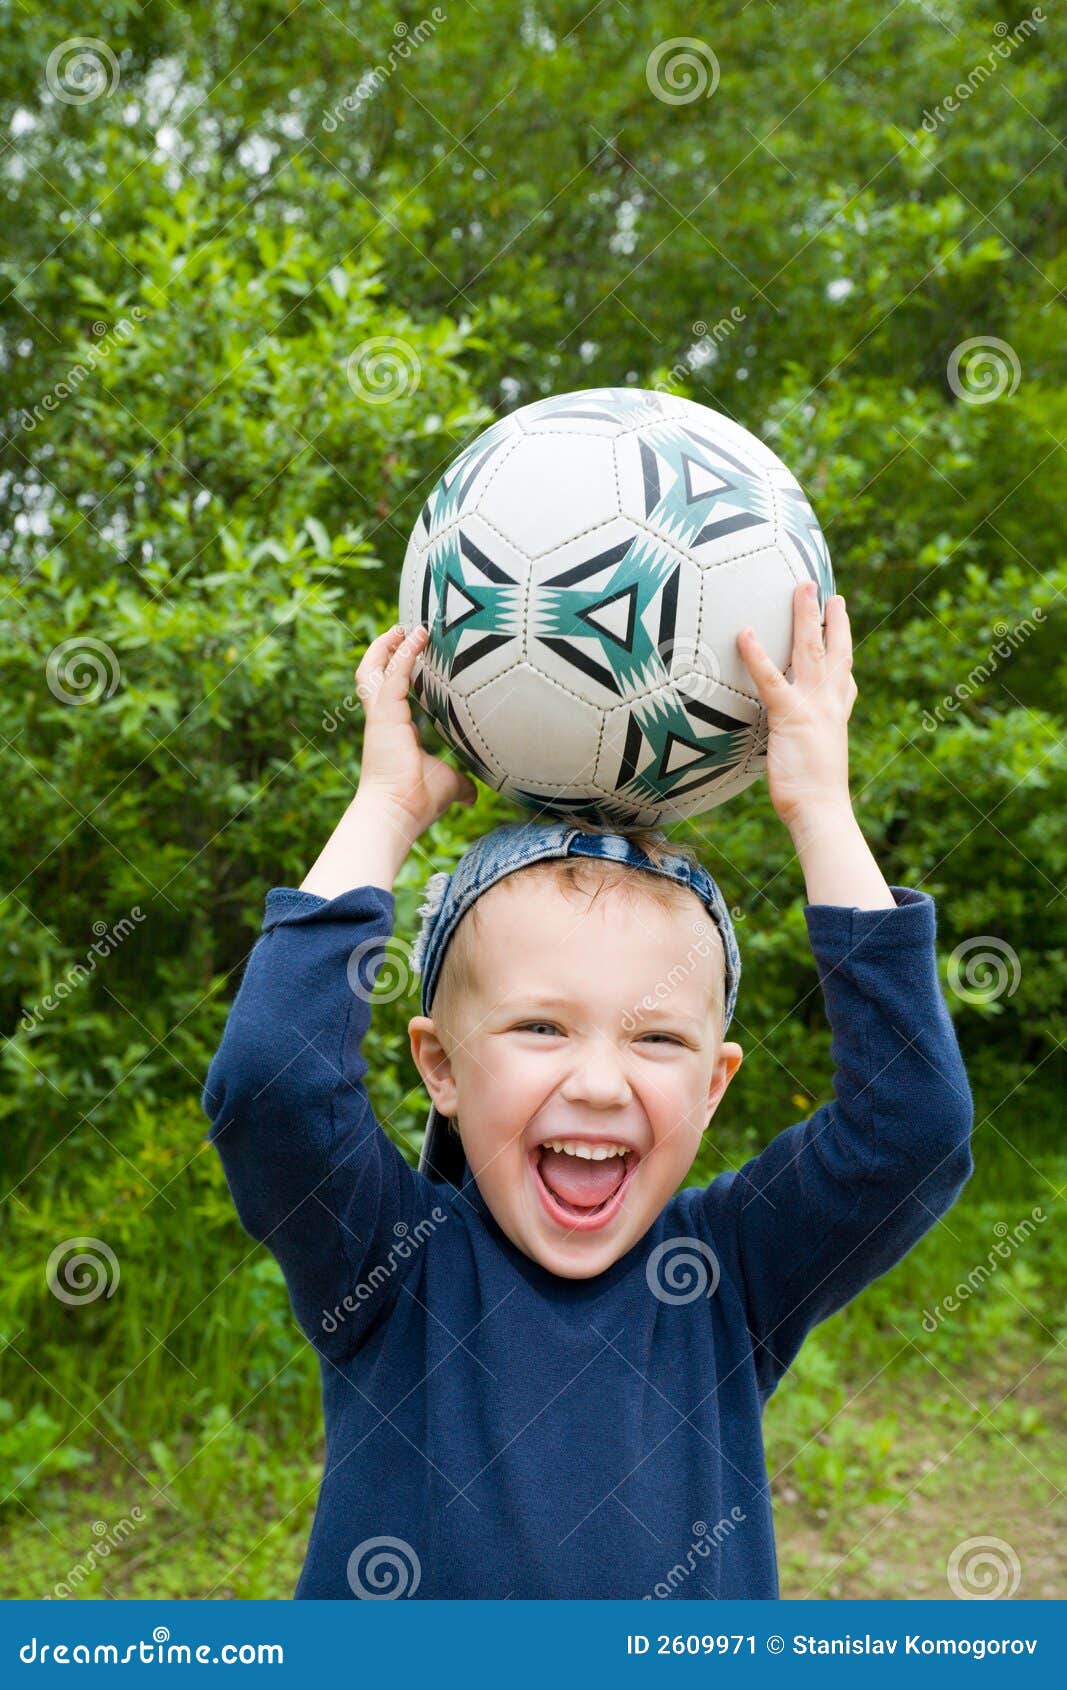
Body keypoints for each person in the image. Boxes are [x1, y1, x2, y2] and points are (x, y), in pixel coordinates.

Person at [202, 581, 974, 1599]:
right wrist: (383, 809)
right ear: (437, 1064)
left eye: (655, 1037)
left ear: (712, 1084)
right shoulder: (389, 1263)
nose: (600, 1082)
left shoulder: (726, 1275)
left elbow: (911, 1128)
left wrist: (820, 809)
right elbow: (270, 1084)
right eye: (537, 1026)